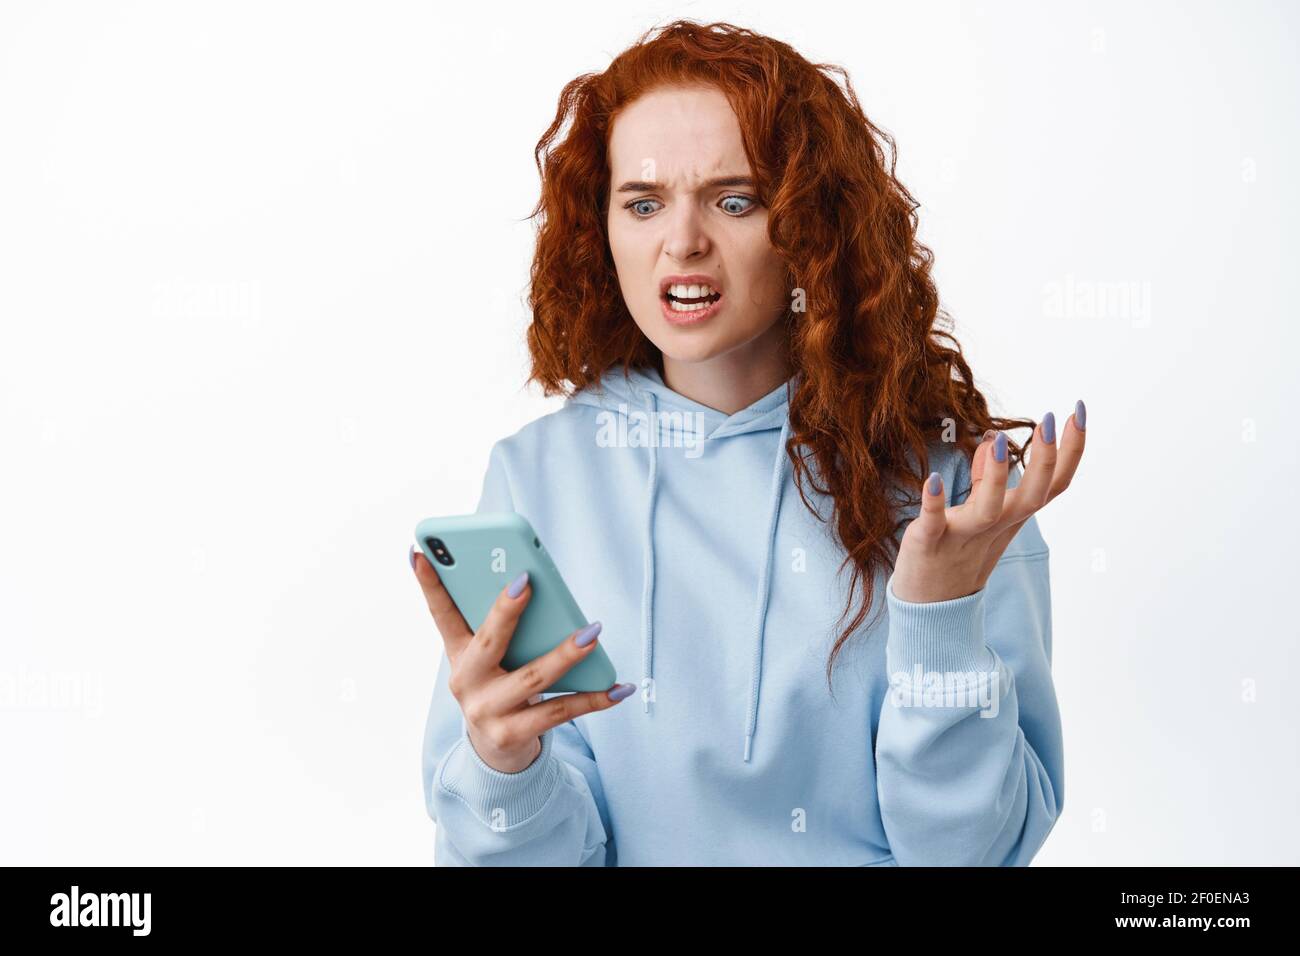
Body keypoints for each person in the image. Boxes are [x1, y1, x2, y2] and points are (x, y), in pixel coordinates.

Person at [413, 19, 1085, 866]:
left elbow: (974, 855)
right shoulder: (539, 480)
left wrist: (939, 622)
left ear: (811, 227)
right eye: (643, 202)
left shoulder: (955, 493)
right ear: (602, 228)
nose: (683, 241)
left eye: (735, 201)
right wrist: (503, 767)